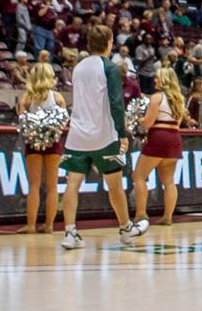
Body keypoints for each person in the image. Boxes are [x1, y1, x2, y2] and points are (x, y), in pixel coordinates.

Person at [59, 24, 147, 248]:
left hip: (78, 135)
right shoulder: (110, 68)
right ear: (109, 43)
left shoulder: (78, 67)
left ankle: (70, 232)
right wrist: (123, 133)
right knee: (115, 185)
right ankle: (126, 229)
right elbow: (117, 103)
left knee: (72, 183)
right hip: (104, 136)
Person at [132, 66, 188, 227]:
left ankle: (141, 213)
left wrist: (138, 118)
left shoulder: (157, 97)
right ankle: (167, 216)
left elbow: (148, 123)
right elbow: (177, 123)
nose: (155, 80)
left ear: (164, 80)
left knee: (139, 176)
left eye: (157, 77)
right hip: (174, 138)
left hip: (159, 136)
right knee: (169, 181)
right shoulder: (179, 99)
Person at [16, 62, 66, 233]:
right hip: (53, 143)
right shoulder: (58, 97)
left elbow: (22, 121)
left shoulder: (26, 98)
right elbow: (63, 122)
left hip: (33, 144)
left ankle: (30, 226)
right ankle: (49, 226)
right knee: (52, 186)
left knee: (34, 185)